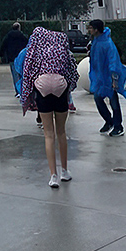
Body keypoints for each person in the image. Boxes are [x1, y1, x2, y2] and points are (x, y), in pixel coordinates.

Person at [19, 27, 78, 188]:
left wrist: (28, 95)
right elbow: (72, 70)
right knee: (61, 131)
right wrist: (69, 87)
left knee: (48, 134)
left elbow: (28, 70)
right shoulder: (61, 47)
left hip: (42, 87)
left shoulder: (37, 49)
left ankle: (53, 176)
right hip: (60, 87)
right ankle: (65, 171)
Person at [87, 19, 126, 136]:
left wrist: (114, 79)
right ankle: (109, 121)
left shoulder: (107, 43)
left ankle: (118, 126)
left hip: (109, 78)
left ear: (96, 29)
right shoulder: (96, 42)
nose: (89, 30)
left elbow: (113, 61)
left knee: (114, 102)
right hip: (100, 78)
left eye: (90, 28)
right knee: (98, 98)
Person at [0, 22, 29, 96]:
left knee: (14, 74)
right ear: (19, 28)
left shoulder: (8, 36)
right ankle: (22, 90)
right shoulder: (22, 36)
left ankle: (17, 91)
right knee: (21, 74)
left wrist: (1, 55)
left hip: (11, 57)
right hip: (21, 57)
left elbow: (3, 45)